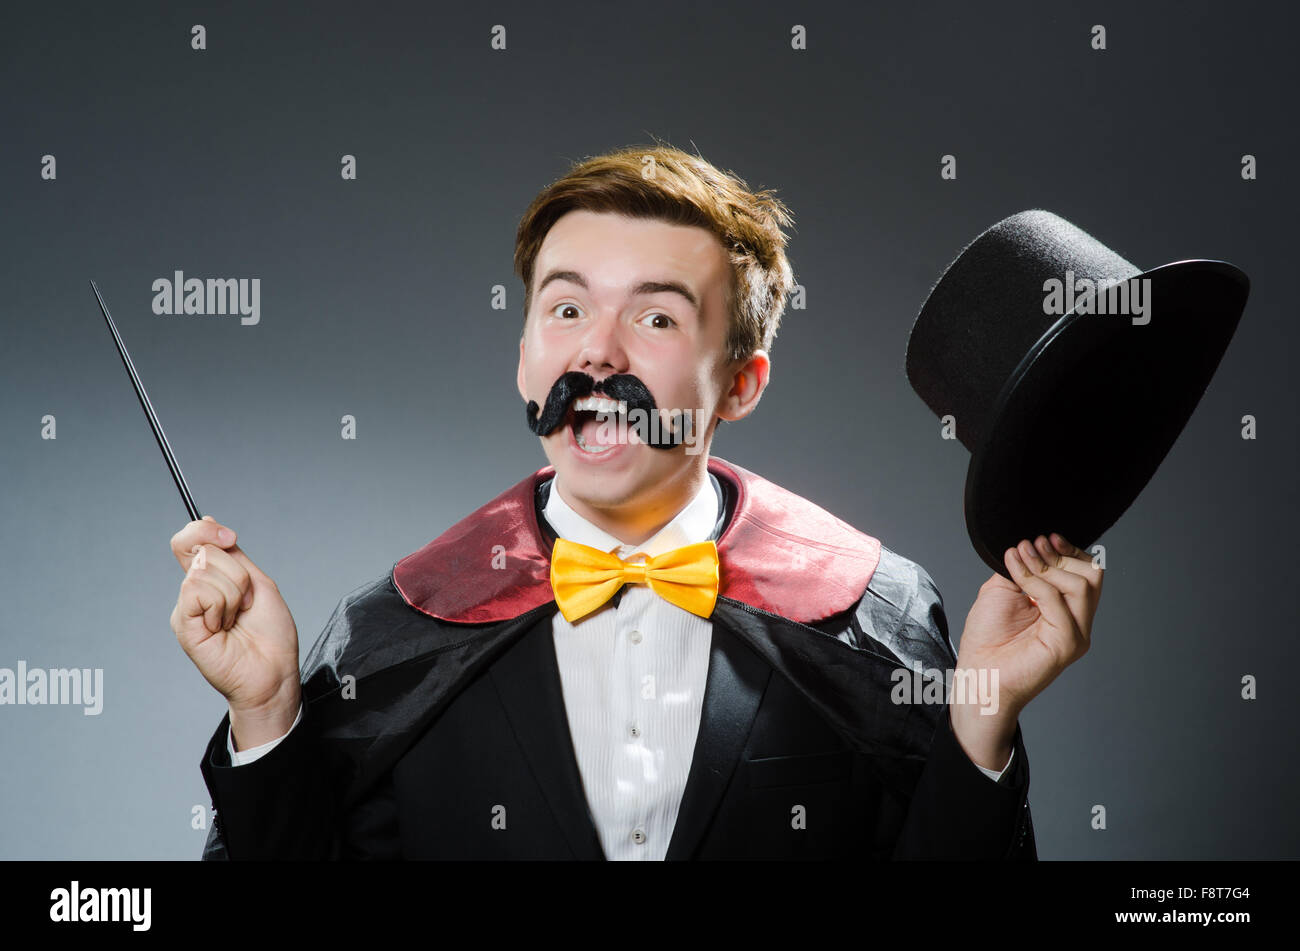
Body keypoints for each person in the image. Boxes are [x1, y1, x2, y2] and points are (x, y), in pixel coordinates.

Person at [169, 143, 1102, 860]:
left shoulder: (875, 610)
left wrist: (980, 723)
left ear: (741, 382)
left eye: (656, 317)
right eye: (566, 309)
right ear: (526, 354)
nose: (597, 355)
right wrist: (266, 716)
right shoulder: (397, 625)